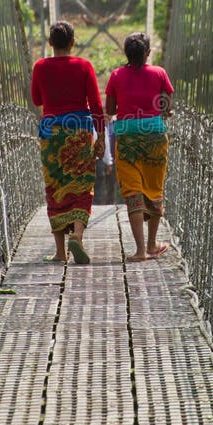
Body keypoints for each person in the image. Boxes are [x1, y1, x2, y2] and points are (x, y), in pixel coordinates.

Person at [31, 20, 105, 264]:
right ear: (73, 43)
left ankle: (61, 252)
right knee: (82, 185)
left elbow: (36, 99)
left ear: (50, 43)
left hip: (51, 133)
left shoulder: (40, 66)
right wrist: (101, 137)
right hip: (80, 132)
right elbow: (95, 105)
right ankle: (78, 236)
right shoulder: (84, 66)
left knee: (55, 187)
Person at [105, 32, 174, 261]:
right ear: (148, 53)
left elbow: (111, 109)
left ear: (126, 53)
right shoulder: (159, 73)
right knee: (154, 191)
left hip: (127, 138)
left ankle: (141, 250)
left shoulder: (116, 75)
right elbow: (166, 107)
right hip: (155, 135)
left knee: (133, 193)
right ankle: (154, 245)